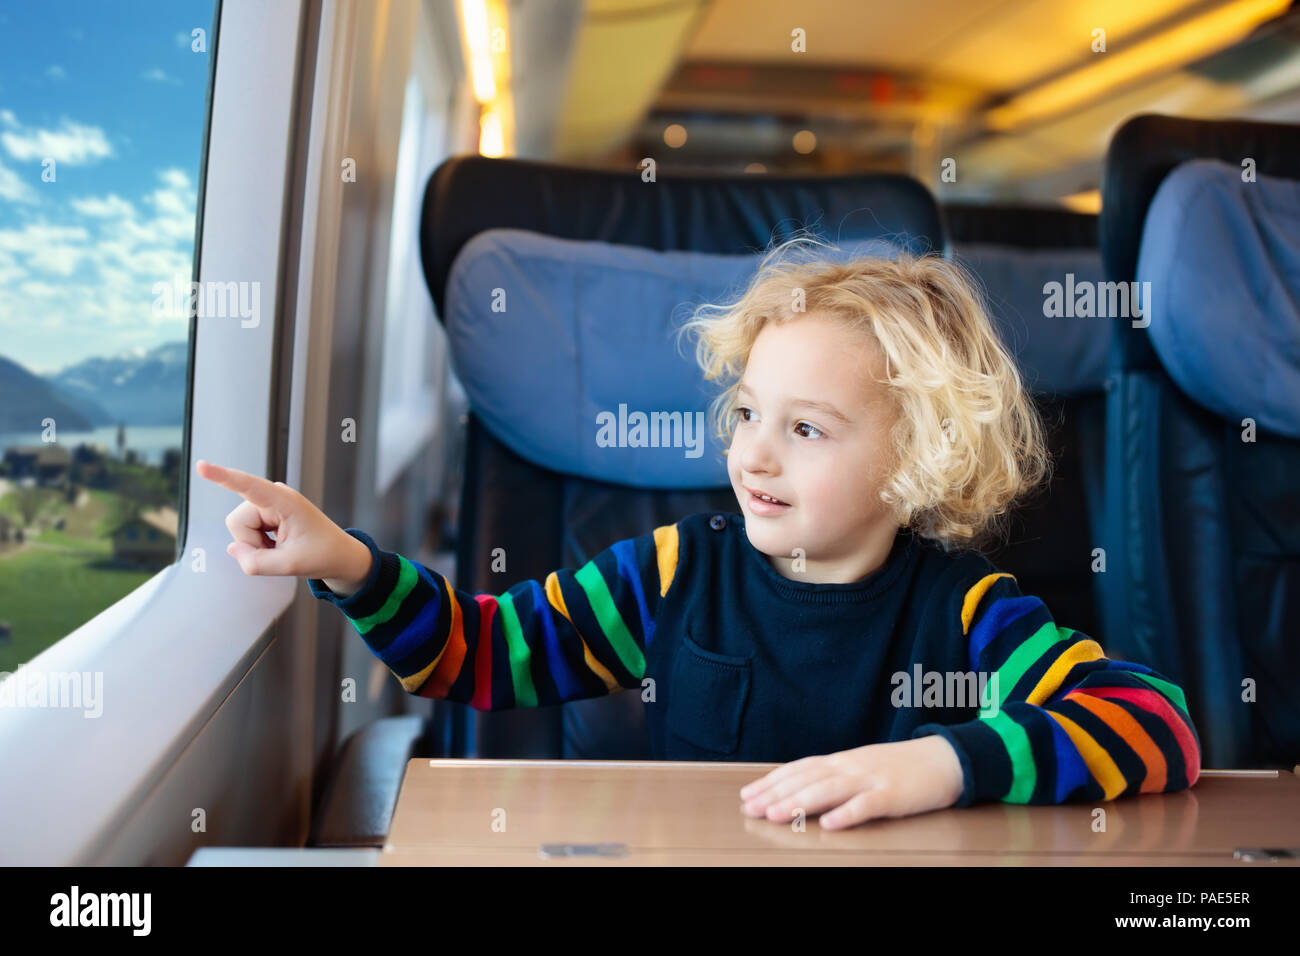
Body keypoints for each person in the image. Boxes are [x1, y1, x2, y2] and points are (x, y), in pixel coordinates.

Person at [196, 237, 1200, 830]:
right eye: (748, 413)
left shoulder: (968, 611)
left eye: (804, 428)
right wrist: (349, 563)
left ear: (915, 459)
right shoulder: (673, 570)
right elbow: (481, 651)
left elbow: (1155, 724)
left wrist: (938, 764)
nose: (753, 454)